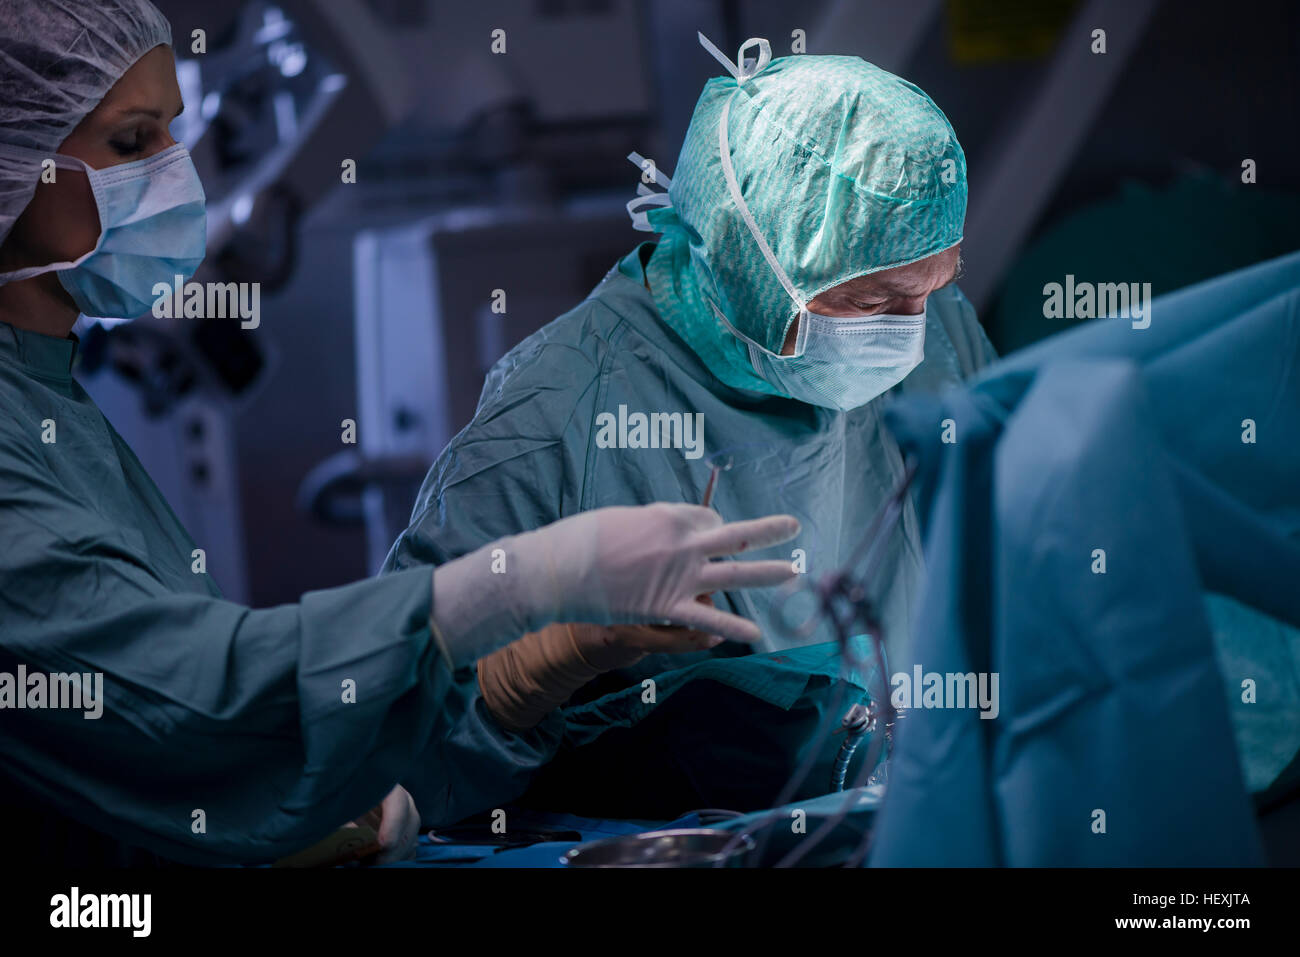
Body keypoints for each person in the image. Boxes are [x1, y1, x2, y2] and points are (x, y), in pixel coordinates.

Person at [0, 0, 801, 866]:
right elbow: (193, 694)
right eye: (130, 143)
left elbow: (214, 746)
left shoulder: (48, 390)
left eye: (172, 133)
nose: (177, 175)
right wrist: (524, 580)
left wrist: (548, 660)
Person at [384, 37, 1000, 815]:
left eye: (935, 286)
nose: (909, 335)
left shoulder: (936, 332)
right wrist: (556, 659)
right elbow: (394, 756)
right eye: (875, 304)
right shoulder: (556, 426)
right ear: (754, 260)